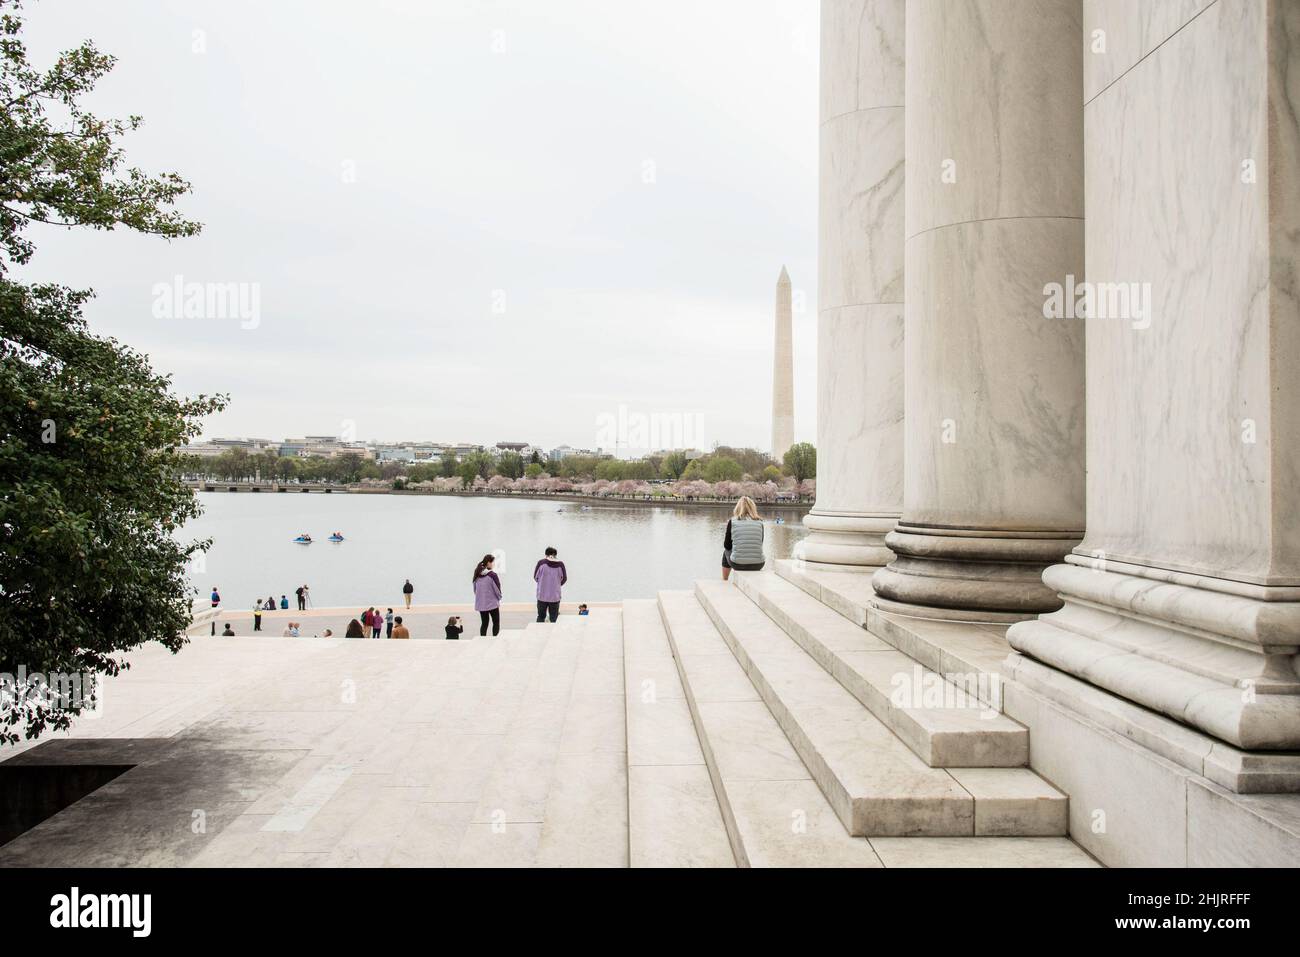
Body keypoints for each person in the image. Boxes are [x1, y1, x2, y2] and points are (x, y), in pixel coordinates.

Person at [722, 495, 766, 580]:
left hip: (737, 564)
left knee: (725, 552)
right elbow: (760, 543)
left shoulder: (733, 521)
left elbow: (727, 546)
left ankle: (725, 580)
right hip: (758, 564)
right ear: (753, 508)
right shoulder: (760, 522)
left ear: (738, 507)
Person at [533, 546, 567, 623]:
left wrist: (543, 583)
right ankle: (554, 634)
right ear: (555, 555)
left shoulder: (541, 563)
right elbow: (564, 579)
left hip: (542, 595)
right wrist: (556, 585)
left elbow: (535, 577)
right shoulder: (560, 564)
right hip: (555, 596)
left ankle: (538, 633)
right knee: (554, 619)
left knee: (541, 617)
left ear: (546, 554)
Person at [472, 554, 502, 637]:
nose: (493, 564)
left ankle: (482, 641)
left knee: (484, 623)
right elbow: (497, 590)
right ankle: (495, 640)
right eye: (492, 562)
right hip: (492, 604)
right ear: (488, 563)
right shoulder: (492, 575)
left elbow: (475, 590)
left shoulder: (477, 575)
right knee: (496, 622)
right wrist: (499, 598)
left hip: (481, 604)